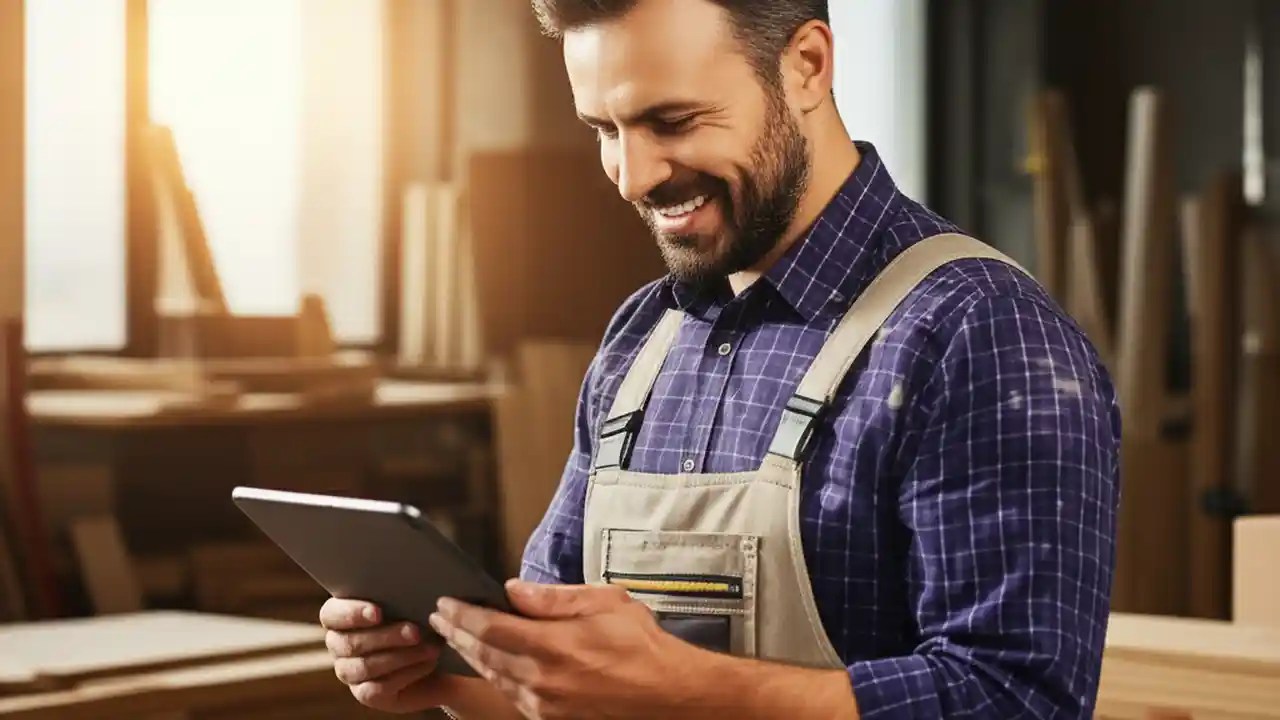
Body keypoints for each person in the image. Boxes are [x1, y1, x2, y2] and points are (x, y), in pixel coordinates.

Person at [319, 0, 1122, 717]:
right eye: (605, 129)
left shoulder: (978, 334)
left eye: (672, 121)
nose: (633, 176)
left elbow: (1018, 699)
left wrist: (685, 688)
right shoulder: (642, 341)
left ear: (807, 65)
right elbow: (558, 685)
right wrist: (444, 675)